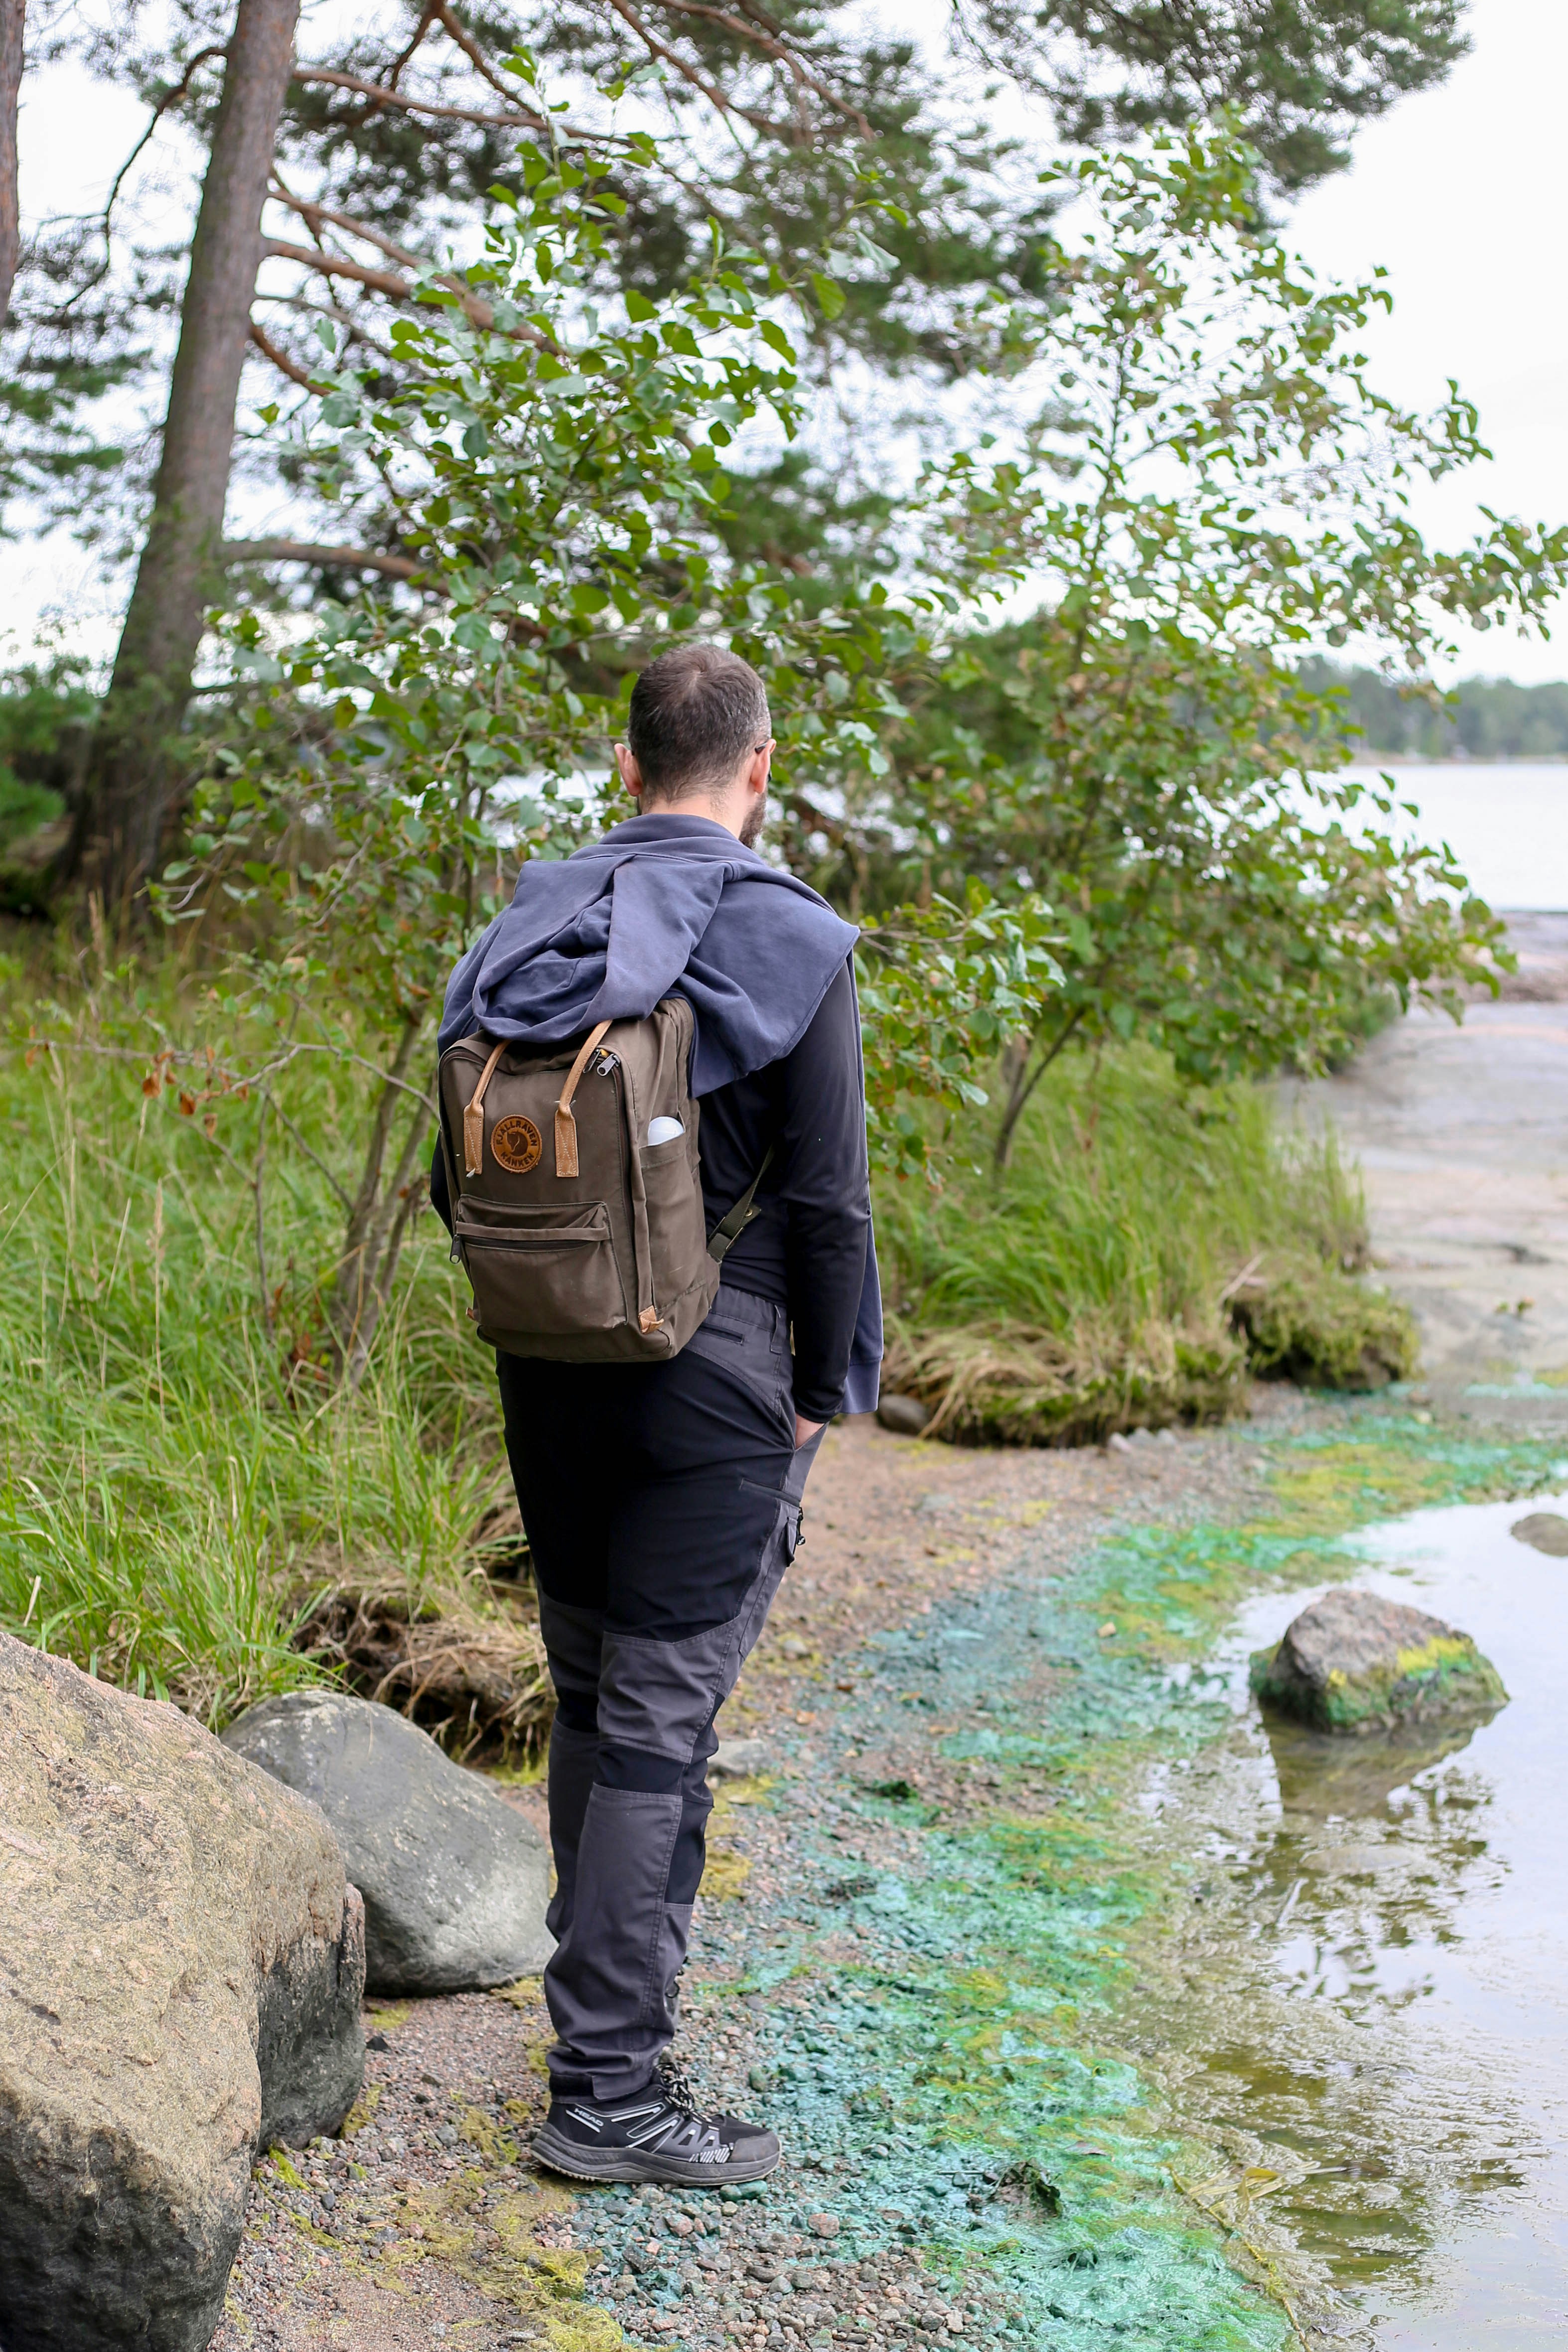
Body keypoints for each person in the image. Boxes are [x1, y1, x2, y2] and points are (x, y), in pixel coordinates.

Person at [431, 643, 881, 2186]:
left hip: (545, 1367)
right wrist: (826, 1392)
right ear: (757, 770)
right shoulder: (793, 939)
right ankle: (609, 2094)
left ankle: (606, 2049)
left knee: (591, 1694)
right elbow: (828, 1208)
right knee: (657, 1734)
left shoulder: (521, 924)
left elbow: (462, 1169)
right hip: (716, 1383)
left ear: (625, 769)